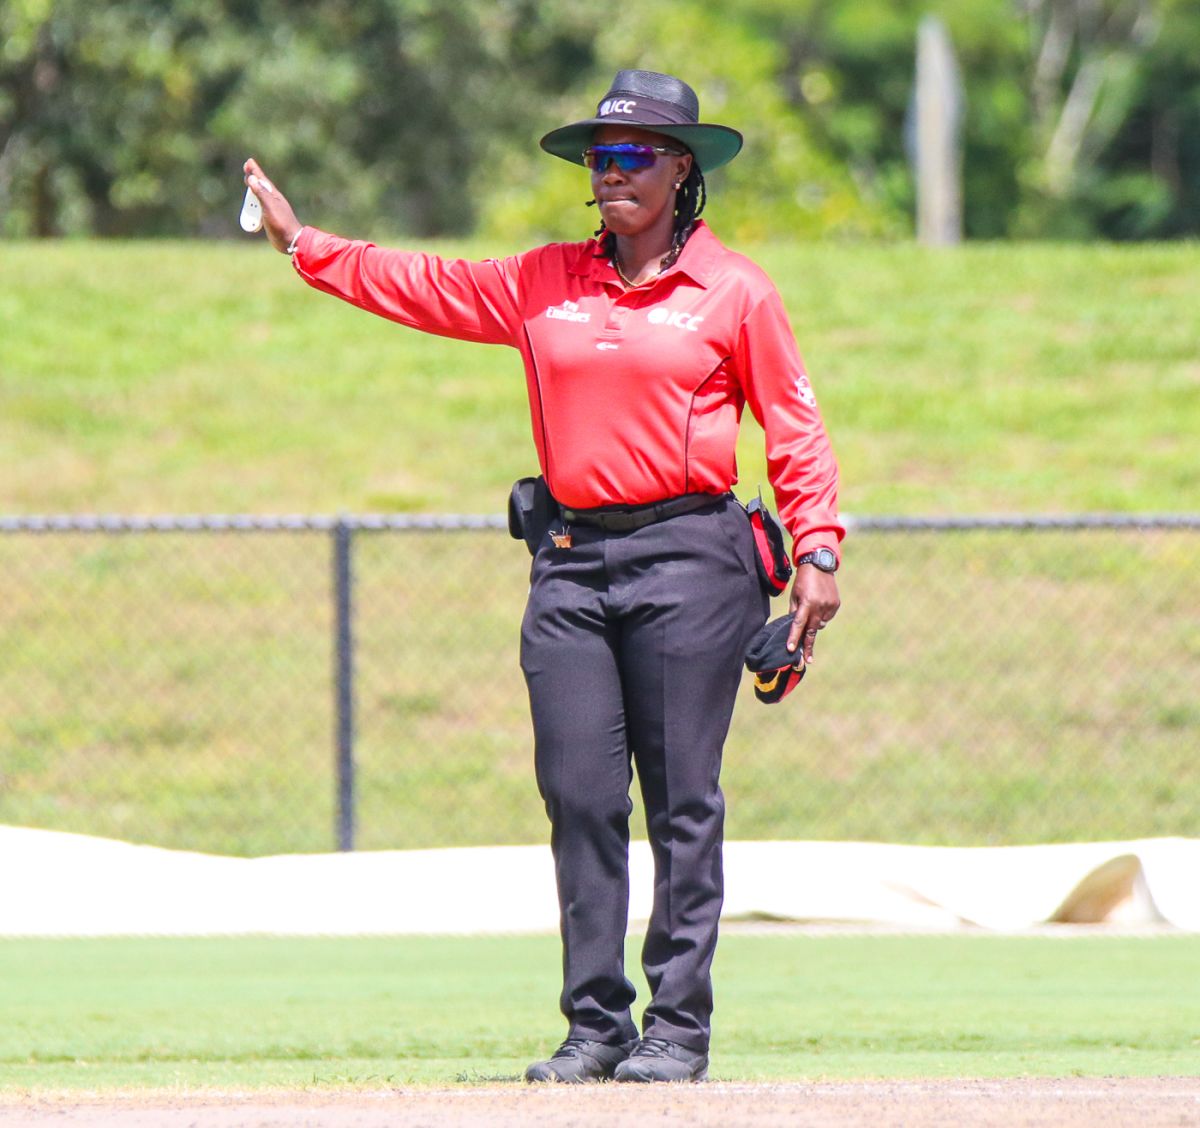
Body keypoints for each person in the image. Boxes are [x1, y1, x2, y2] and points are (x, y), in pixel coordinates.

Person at [243, 68, 842, 1084]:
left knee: (682, 801)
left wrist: (817, 548)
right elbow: (424, 285)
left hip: (692, 558)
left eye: (634, 157)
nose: (612, 173)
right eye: (600, 158)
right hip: (570, 565)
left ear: (682, 171)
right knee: (579, 794)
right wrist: (306, 247)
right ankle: (596, 1025)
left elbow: (795, 425)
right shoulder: (544, 281)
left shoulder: (735, 290)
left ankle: (677, 1028)